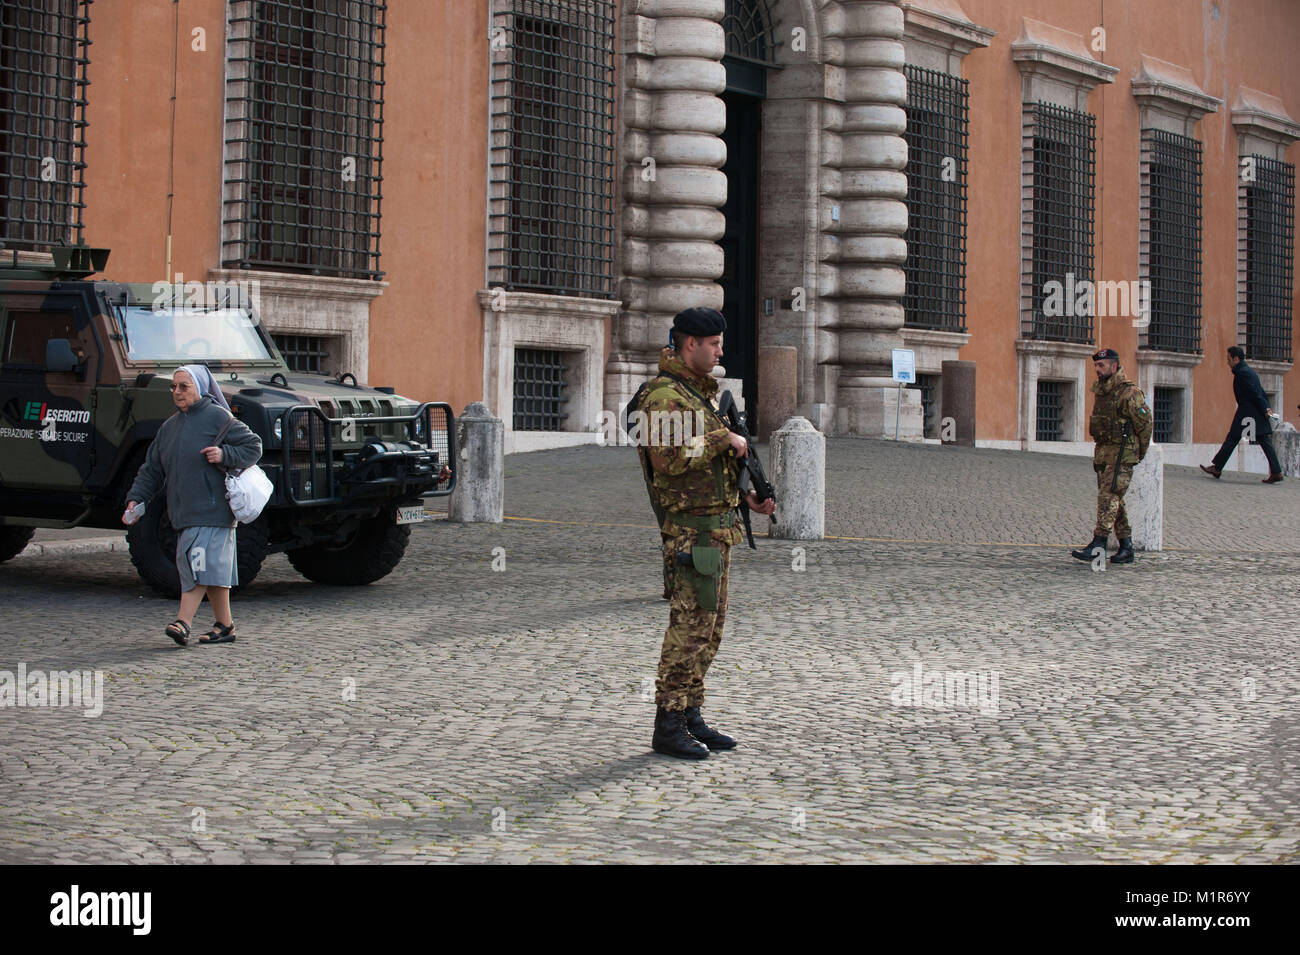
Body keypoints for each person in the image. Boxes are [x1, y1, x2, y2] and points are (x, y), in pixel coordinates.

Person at [640, 307, 775, 759]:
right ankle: (668, 723)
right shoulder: (663, 395)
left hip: (717, 531)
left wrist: (746, 500)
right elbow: (669, 460)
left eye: (720, 342)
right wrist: (722, 440)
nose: (721, 350)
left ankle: (690, 713)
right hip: (690, 535)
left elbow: (709, 470)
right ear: (688, 344)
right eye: (713, 343)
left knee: (709, 631)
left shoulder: (698, 394)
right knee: (688, 631)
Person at [124, 365, 262, 645]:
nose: (176, 392)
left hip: (214, 510)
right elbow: (151, 470)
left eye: (183, 386)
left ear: (199, 388)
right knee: (210, 571)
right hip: (183, 513)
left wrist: (224, 454)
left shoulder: (218, 417)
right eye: (173, 387)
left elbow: (253, 447)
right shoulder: (169, 428)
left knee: (196, 566)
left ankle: (182, 622)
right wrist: (135, 499)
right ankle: (225, 626)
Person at [1071, 348, 1152, 565]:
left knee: (1109, 497)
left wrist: (1138, 453)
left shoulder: (1130, 392)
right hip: (1105, 455)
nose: (1097, 370)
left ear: (1114, 366)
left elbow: (1145, 425)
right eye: (1096, 366)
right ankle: (1126, 547)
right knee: (1116, 500)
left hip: (1122, 455)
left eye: (1102, 365)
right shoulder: (1102, 392)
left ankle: (1099, 543)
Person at [1200, 346, 1283, 483]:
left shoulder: (1243, 373)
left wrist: (1265, 410)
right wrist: (1266, 409)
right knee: (1262, 440)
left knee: (1233, 438)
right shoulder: (1249, 372)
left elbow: (1255, 394)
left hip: (1248, 413)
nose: (1228, 362)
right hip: (1253, 412)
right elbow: (1261, 392)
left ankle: (1217, 468)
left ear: (1236, 359)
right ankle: (1276, 472)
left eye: (1229, 359)